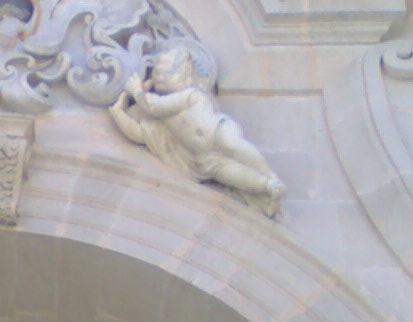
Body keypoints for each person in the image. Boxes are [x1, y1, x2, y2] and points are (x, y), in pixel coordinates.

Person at [109, 44, 285, 216]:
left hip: (217, 134)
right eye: (159, 74)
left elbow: (153, 106)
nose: (161, 77)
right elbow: (139, 133)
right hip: (202, 158)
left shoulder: (190, 95)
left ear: (186, 76)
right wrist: (118, 113)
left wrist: (138, 92)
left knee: (232, 145)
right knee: (229, 175)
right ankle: (266, 188)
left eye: (169, 72)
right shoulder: (161, 124)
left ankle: (269, 175)